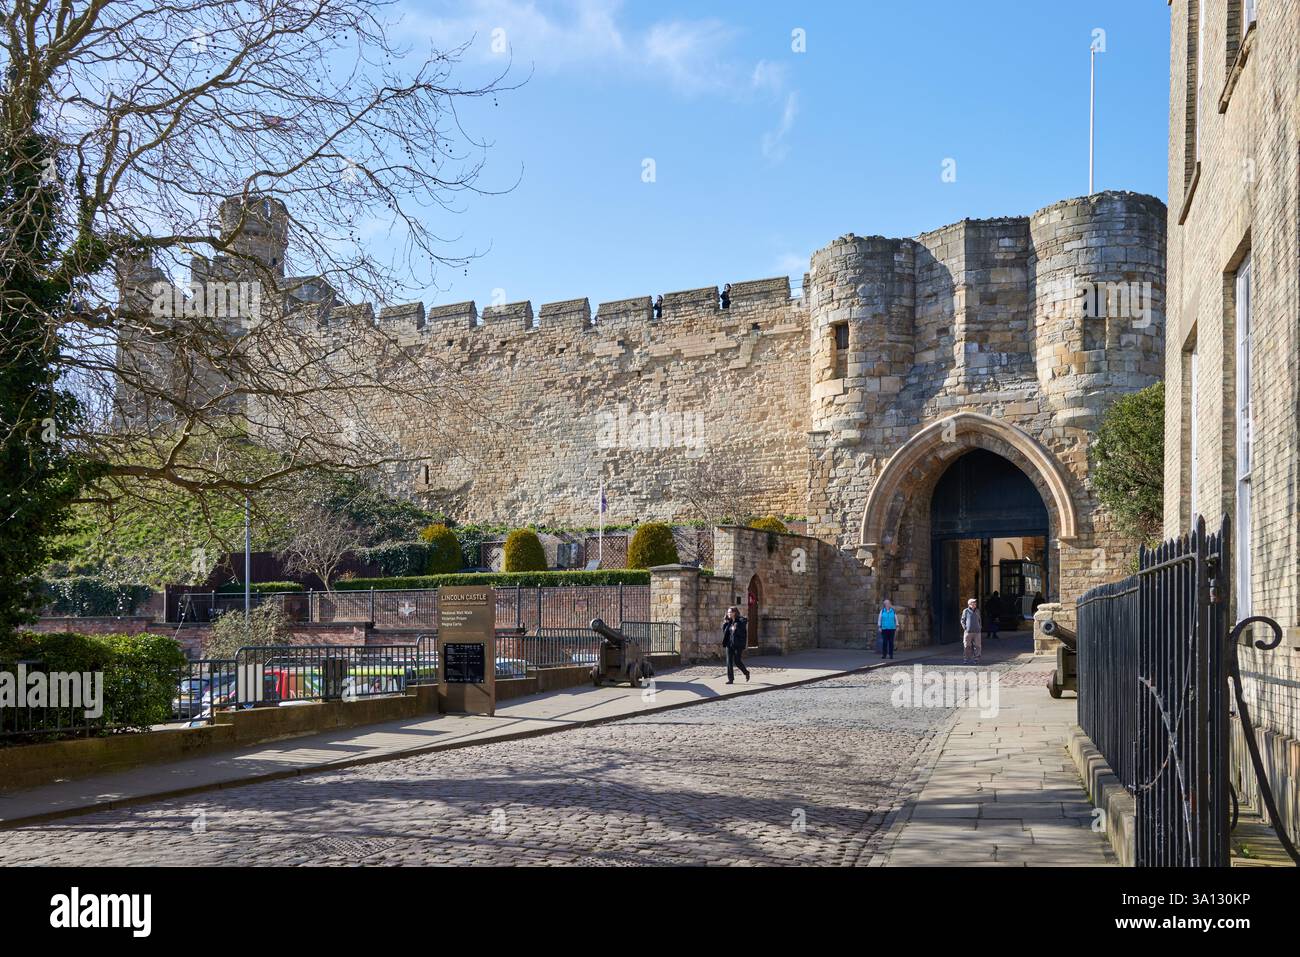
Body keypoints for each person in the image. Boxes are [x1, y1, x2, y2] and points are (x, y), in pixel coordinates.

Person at [722, 606, 750, 684]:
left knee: (737, 661)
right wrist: (725, 624)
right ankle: (731, 679)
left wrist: (736, 629)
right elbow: (725, 633)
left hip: (738, 644)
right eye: (728, 612)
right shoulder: (729, 622)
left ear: (734, 613)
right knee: (729, 662)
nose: (729, 614)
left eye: (730, 612)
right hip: (729, 644)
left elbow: (743, 632)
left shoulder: (741, 621)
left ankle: (746, 672)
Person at [961, 597, 982, 665]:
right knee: (967, 645)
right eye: (973, 603)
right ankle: (966, 659)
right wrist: (965, 627)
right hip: (968, 632)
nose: (974, 604)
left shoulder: (977, 610)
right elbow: (962, 620)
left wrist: (980, 627)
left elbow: (979, 619)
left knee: (978, 646)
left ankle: (976, 659)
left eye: (975, 603)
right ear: (969, 604)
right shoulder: (966, 611)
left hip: (977, 632)